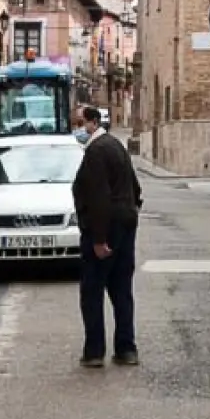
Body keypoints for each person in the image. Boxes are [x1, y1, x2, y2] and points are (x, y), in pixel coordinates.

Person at [70, 104, 142, 367]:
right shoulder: (116, 146)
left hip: (104, 229)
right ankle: (126, 349)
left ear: (91, 123)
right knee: (122, 290)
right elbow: (135, 188)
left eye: (79, 123)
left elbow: (98, 197)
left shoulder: (96, 152)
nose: (77, 129)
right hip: (125, 225)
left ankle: (94, 352)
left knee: (92, 291)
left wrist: (99, 240)